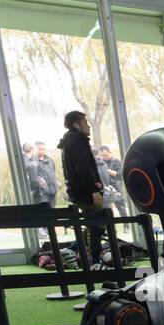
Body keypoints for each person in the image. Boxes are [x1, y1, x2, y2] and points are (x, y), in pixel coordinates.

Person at [58, 111, 106, 260]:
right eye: (85, 122)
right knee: (97, 225)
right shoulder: (77, 141)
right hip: (84, 191)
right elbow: (83, 167)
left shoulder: (70, 141)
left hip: (78, 191)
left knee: (91, 224)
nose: (88, 125)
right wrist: (94, 190)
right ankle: (93, 261)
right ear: (76, 124)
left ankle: (81, 253)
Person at [30, 141, 57, 207]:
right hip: (41, 193)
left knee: (53, 212)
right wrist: (44, 188)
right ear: (35, 149)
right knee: (43, 212)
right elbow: (34, 178)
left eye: (43, 149)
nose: (42, 151)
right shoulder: (32, 162)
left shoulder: (50, 160)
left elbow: (53, 173)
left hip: (52, 191)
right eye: (40, 149)